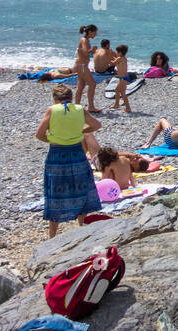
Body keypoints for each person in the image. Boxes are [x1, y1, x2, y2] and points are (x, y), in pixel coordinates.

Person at [34, 83, 102, 239]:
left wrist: (53, 138)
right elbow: (96, 125)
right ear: (71, 98)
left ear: (54, 98)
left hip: (57, 155)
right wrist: (81, 131)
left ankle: (52, 236)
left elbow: (39, 134)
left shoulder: (52, 110)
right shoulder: (79, 109)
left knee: (55, 193)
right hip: (77, 152)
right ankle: (82, 229)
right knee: (81, 189)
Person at [73, 24, 102, 113]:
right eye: (95, 32)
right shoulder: (84, 40)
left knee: (81, 86)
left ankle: (76, 106)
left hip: (80, 65)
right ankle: (91, 107)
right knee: (92, 84)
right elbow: (86, 53)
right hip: (82, 66)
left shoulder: (85, 40)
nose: (95, 35)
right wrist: (93, 50)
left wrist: (92, 51)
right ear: (90, 32)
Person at [110, 44, 132, 113]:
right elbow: (116, 60)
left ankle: (127, 108)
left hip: (123, 78)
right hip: (124, 78)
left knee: (120, 92)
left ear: (120, 52)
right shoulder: (124, 58)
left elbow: (113, 63)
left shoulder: (119, 59)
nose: (116, 53)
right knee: (120, 91)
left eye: (116, 52)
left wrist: (109, 56)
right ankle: (117, 104)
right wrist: (113, 56)